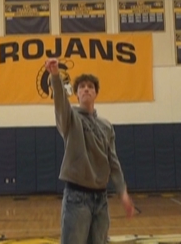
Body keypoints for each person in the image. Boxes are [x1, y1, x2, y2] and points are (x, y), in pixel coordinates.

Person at [46, 57, 135, 244]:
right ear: (77, 94)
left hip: (101, 199)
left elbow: (114, 162)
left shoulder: (106, 126)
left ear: (96, 94)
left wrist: (122, 192)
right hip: (76, 198)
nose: (86, 89)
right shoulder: (70, 119)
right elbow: (61, 104)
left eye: (90, 87)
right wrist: (55, 76)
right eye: (82, 87)